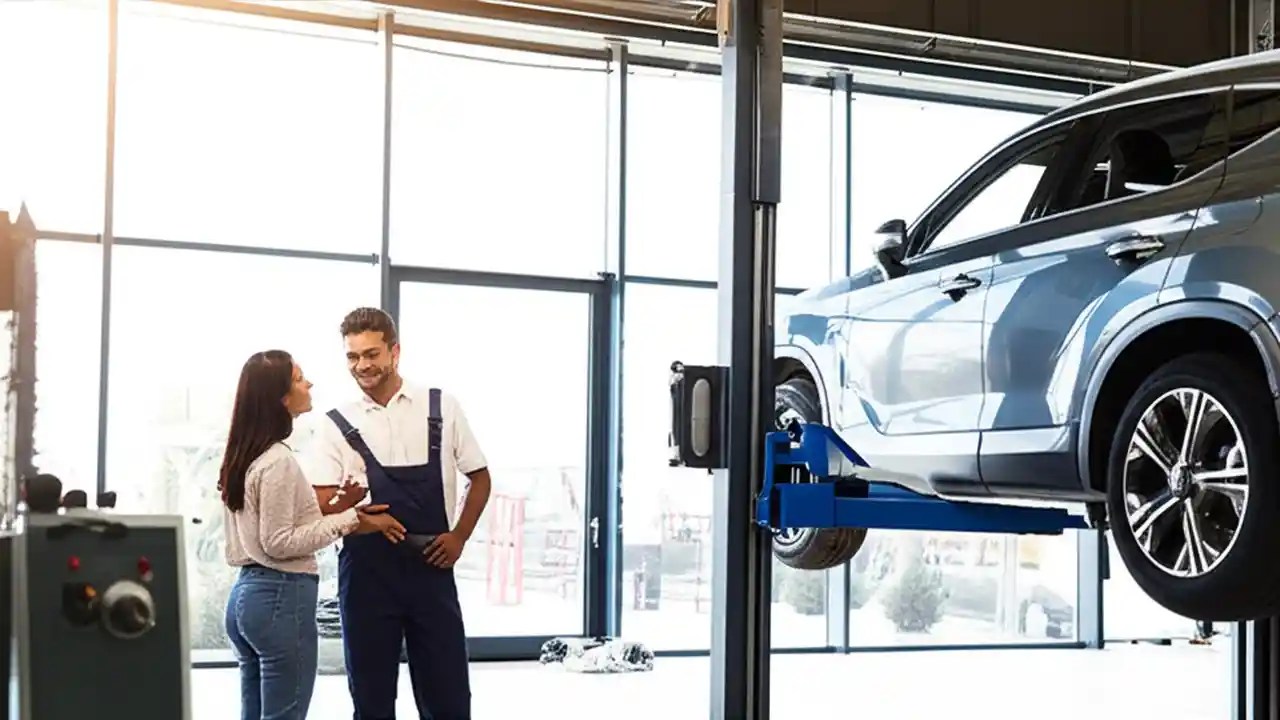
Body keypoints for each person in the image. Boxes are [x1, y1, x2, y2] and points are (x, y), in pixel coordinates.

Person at [310, 307, 492, 720]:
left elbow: (479, 477)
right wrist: (356, 510)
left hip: (433, 568)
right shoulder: (337, 423)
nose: (362, 366)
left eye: (371, 354)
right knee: (372, 702)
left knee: (448, 700)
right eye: (353, 357)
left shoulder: (441, 406)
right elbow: (323, 502)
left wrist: (460, 536)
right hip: (366, 575)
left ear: (395, 352)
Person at [220, 349, 407, 720]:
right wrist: (351, 519)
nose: (309, 384)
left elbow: (270, 527)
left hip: (246, 597)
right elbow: (279, 542)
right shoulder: (277, 460)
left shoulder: (245, 457)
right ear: (281, 397)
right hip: (279, 597)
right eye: (299, 378)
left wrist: (337, 506)